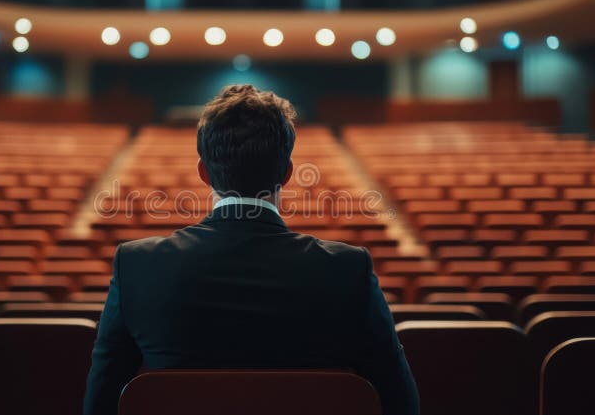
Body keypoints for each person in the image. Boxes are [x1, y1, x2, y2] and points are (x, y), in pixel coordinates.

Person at [84, 84, 419, 415]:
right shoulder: (349, 269)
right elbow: (399, 402)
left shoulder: (137, 265)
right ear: (287, 173)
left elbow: (101, 401)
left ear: (203, 172)